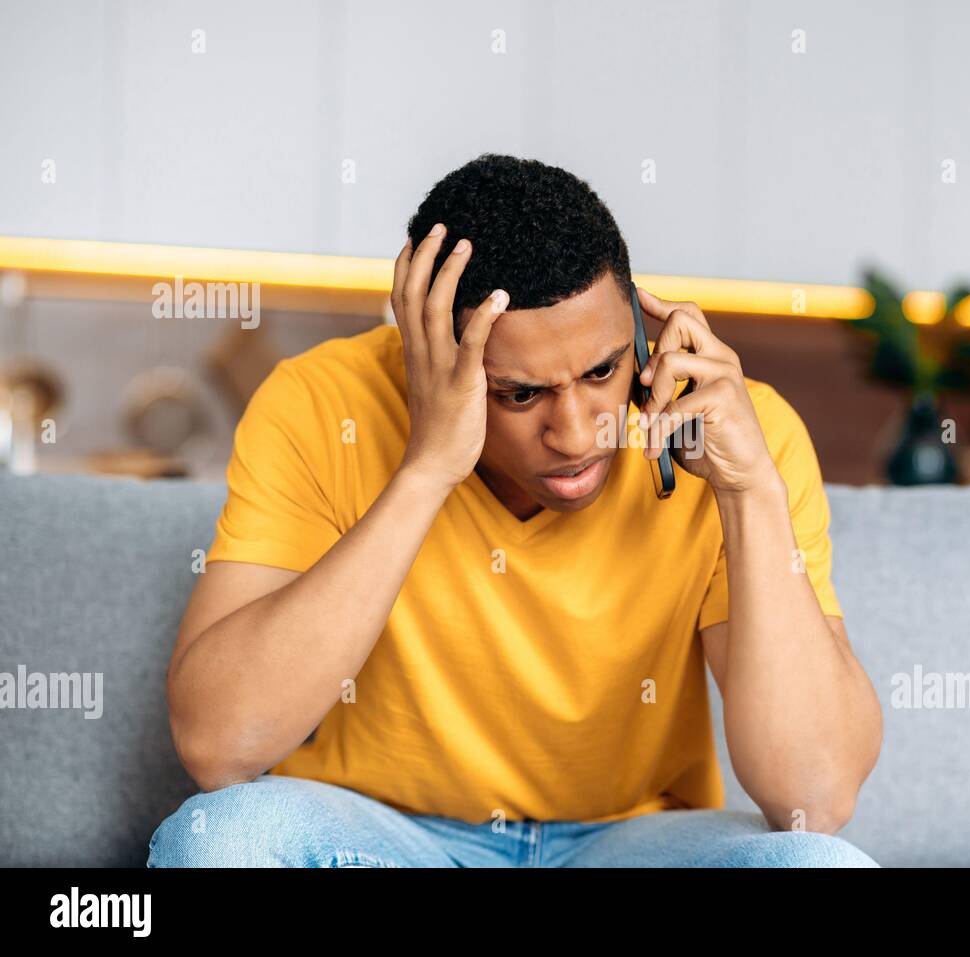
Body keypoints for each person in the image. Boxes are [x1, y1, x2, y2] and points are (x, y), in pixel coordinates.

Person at [149, 153, 883, 867]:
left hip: (625, 842)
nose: (574, 434)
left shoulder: (739, 432)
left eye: (602, 371)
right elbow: (219, 745)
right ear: (425, 353)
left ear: (636, 327)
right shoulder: (320, 405)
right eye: (519, 393)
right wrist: (428, 467)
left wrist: (748, 490)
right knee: (219, 841)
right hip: (383, 838)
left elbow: (812, 801)